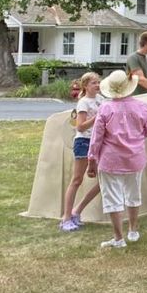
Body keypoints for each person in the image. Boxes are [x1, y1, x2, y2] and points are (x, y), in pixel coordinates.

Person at [87, 70, 147, 249]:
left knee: (112, 198)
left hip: (111, 160)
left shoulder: (105, 108)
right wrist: (137, 134)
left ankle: (118, 238)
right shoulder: (142, 106)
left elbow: (96, 138)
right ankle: (133, 230)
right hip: (135, 158)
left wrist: (91, 160)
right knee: (133, 195)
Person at [60, 72, 103, 232]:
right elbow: (80, 126)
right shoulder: (84, 103)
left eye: (98, 82)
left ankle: (76, 211)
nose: (97, 85)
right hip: (84, 142)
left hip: (97, 142)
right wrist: (97, 117)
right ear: (85, 86)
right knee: (77, 180)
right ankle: (66, 219)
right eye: (93, 83)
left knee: (104, 180)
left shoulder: (101, 100)